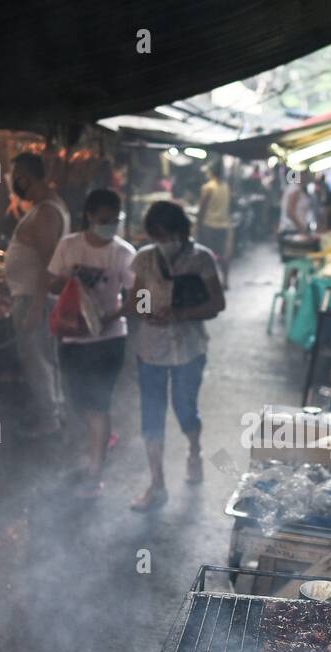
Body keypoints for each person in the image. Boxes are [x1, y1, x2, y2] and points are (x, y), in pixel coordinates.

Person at [127, 200, 225, 512]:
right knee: (151, 417)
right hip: (151, 349)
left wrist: (180, 313)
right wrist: (150, 312)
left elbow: (216, 305)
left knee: (185, 409)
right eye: (156, 236)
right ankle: (157, 485)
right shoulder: (143, 259)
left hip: (189, 348)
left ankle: (194, 451)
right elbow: (136, 301)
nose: (163, 242)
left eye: (167, 235)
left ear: (181, 232)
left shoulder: (203, 259)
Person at [46, 188, 135, 495]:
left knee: (98, 405)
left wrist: (110, 317)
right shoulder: (68, 246)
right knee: (78, 402)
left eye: (115, 220)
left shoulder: (123, 252)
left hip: (108, 340)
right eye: (103, 220)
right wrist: (70, 277)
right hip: (72, 338)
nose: (109, 226)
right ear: (89, 217)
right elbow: (52, 284)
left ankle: (95, 473)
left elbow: (138, 298)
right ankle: (90, 454)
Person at [4, 152, 72, 439]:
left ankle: (50, 420)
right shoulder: (48, 205)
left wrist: (35, 306)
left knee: (37, 360)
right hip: (35, 298)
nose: (12, 181)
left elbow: (48, 262)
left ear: (25, 176)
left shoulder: (46, 212)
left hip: (34, 299)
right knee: (45, 359)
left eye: (15, 175)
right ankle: (56, 413)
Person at [195, 163, 232, 286]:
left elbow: (202, 208)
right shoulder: (225, 186)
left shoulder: (208, 187)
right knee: (222, 254)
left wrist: (197, 224)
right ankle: (225, 281)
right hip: (223, 225)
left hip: (209, 225)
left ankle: (207, 282)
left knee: (206, 254)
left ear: (211, 172)